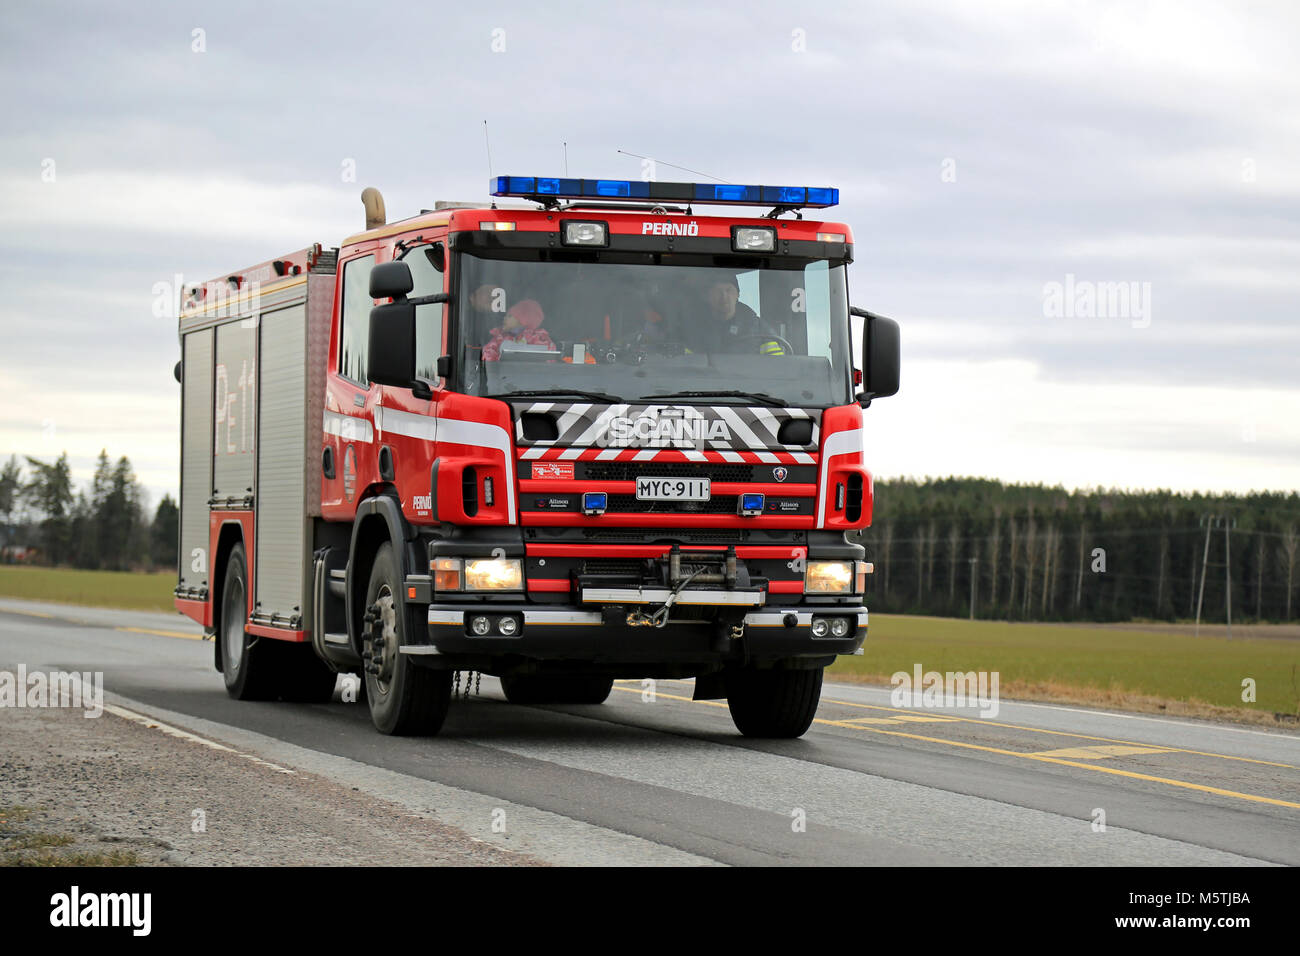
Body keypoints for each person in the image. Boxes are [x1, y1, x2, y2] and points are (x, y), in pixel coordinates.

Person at [689, 274, 786, 355]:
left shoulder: (760, 331)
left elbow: (777, 367)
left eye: (728, 290)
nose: (724, 296)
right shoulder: (693, 329)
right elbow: (683, 369)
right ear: (708, 297)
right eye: (717, 291)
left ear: (738, 294)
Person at [481, 299, 555, 362]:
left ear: (523, 320)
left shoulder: (539, 338)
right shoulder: (500, 338)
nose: (504, 318)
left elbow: (547, 359)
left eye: (509, 316)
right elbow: (487, 356)